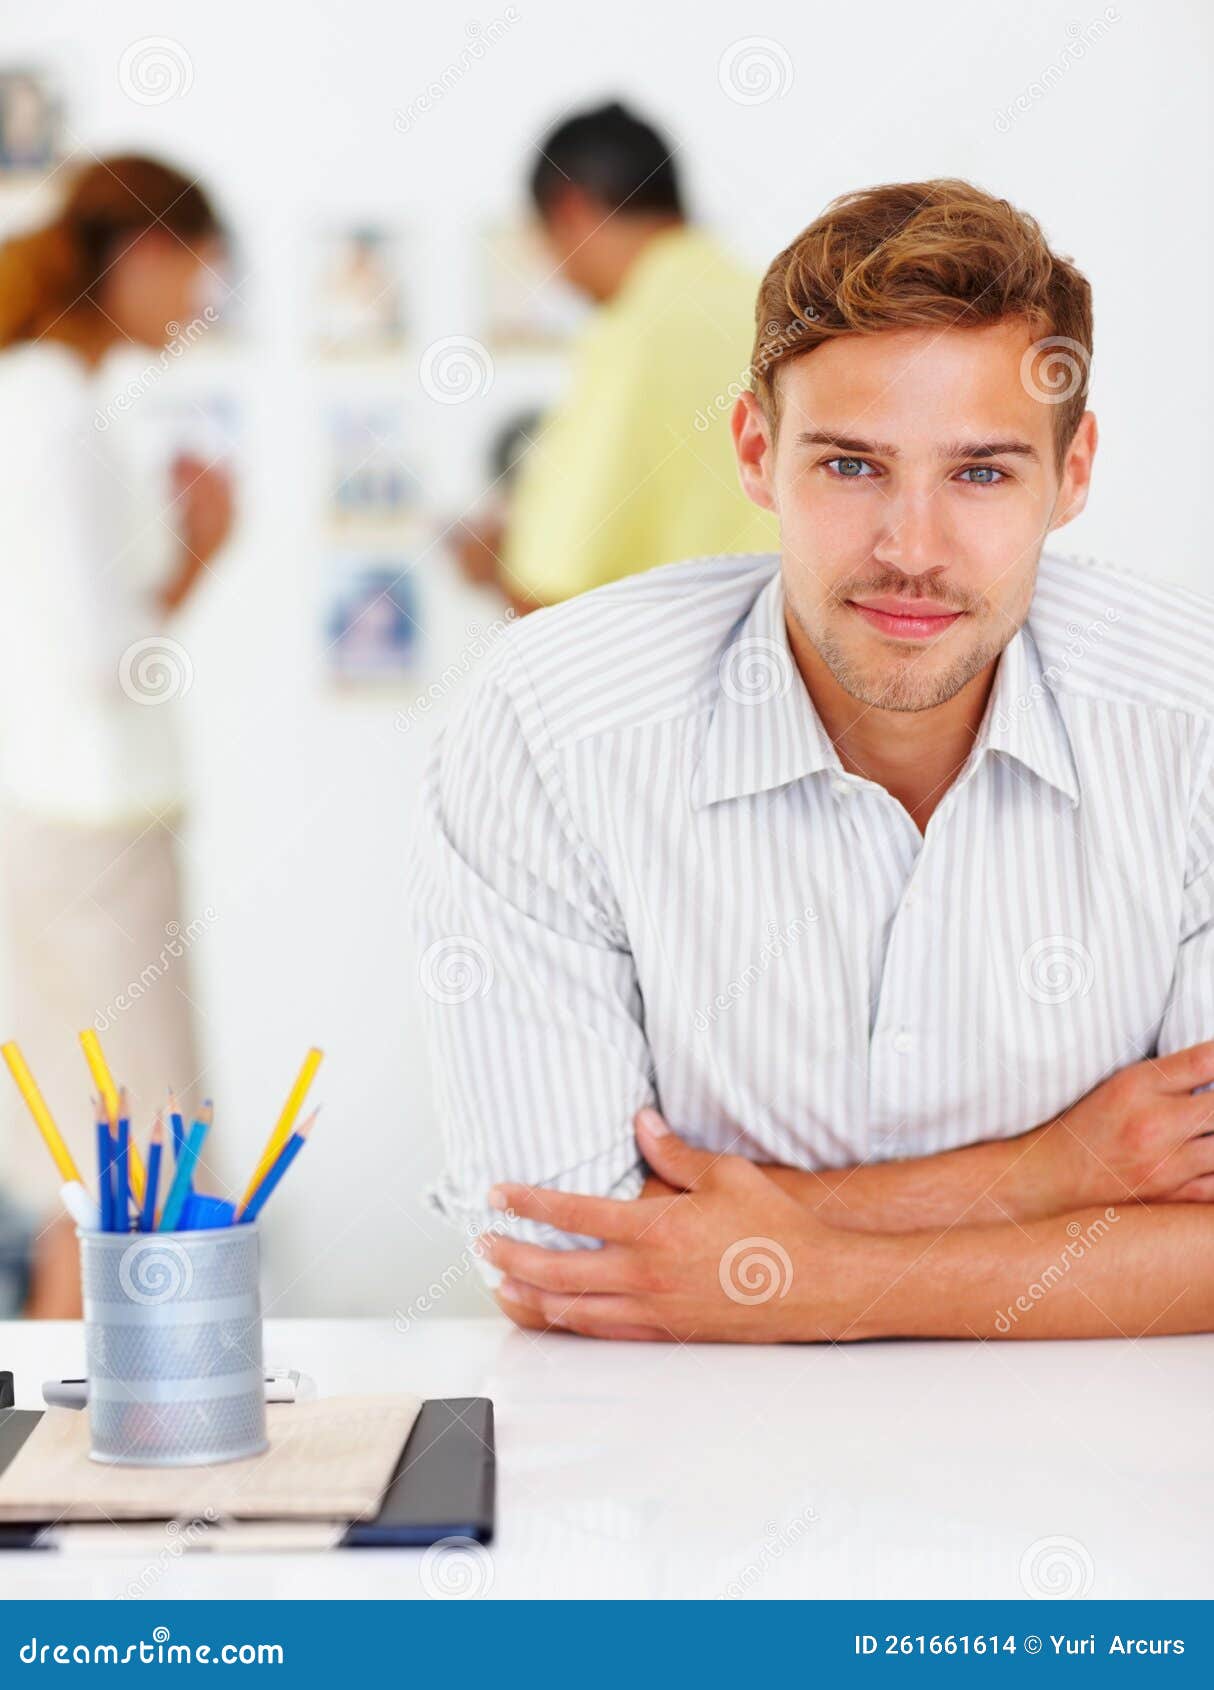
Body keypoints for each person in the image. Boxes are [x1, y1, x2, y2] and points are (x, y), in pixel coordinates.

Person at [413, 177, 1214, 1344]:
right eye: (848, 465)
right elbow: (568, 1255)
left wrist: (803, 1276)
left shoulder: (1187, 722)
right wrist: (1046, 1174)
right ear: (755, 449)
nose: (910, 549)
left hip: (1103, 1493)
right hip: (678, 1484)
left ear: (1071, 473)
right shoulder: (550, 722)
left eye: (981, 472)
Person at [0, 156, 232, 1311]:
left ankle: (62, 1472)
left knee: (80, 1178)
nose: (196, 306)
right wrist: (198, 548)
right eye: (195, 273)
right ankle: (119, 1460)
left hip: (48, 821)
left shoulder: (39, 395)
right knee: (138, 1172)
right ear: (144, 254)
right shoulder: (58, 413)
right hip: (95, 835)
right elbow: (107, 660)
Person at [458, 101, 775, 614]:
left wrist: (490, 561)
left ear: (570, 209)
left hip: (676, 681)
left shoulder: (631, 332)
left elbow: (548, 592)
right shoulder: (773, 301)